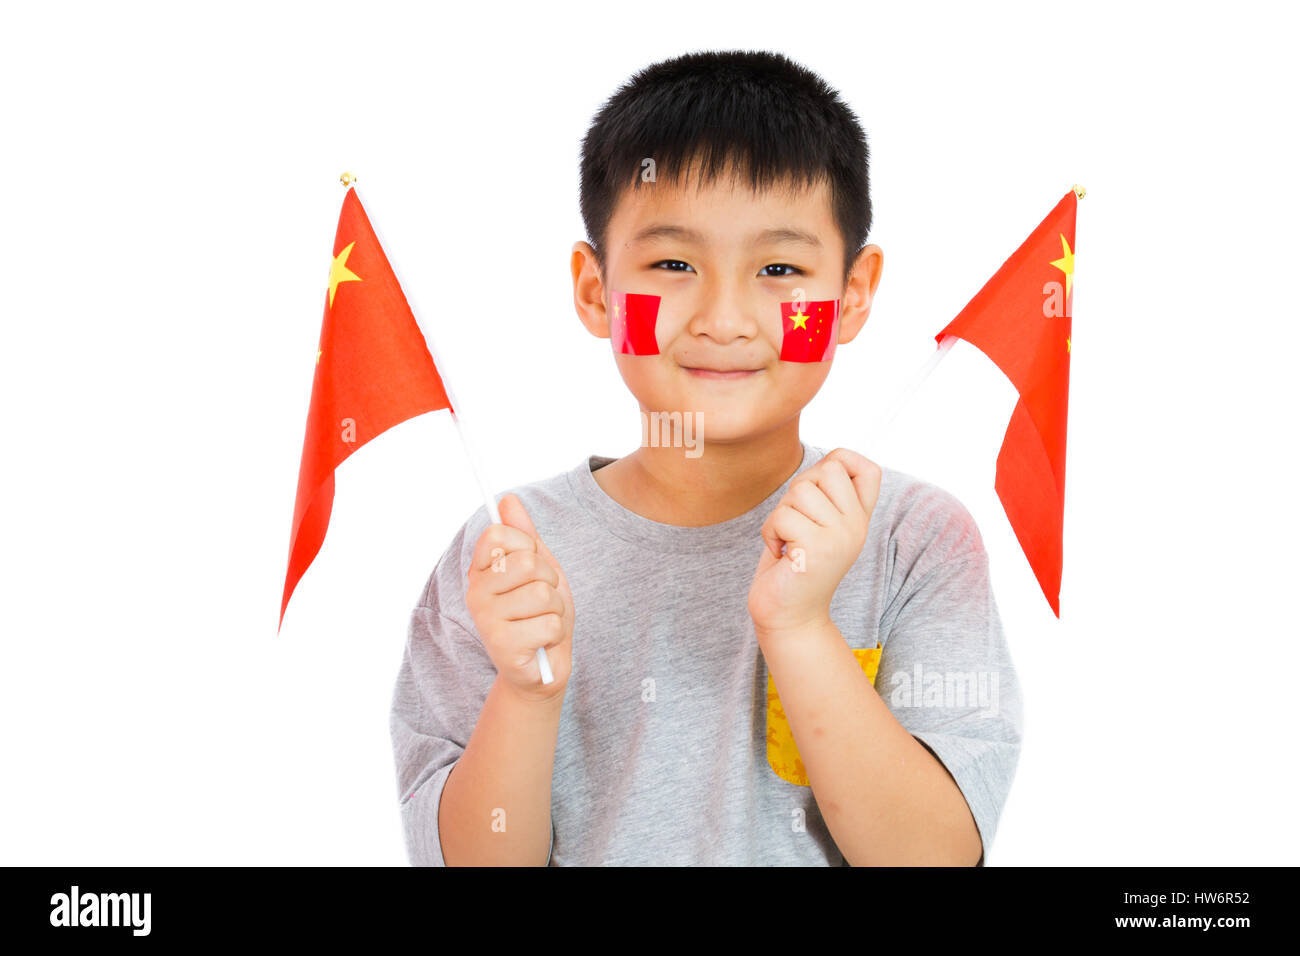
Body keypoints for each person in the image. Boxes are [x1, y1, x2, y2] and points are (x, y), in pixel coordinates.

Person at [389, 49, 1022, 866]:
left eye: (781, 269)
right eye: (674, 264)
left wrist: (799, 627)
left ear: (853, 295)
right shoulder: (507, 551)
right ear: (595, 290)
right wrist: (526, 692)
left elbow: (930, 857)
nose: (725, 317)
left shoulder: (914, 538)